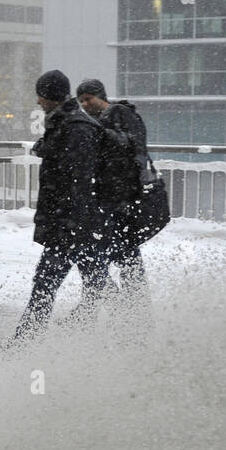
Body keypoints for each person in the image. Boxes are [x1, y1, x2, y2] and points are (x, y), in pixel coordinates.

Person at [10, 70, 119, 341]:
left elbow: (81, 182)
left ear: (51, 96)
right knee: (95, 280)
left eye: (41, 95)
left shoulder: (76, 128)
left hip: (72, 225)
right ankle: (127, 327)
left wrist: (72, 225)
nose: (38, 101)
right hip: (72, 223)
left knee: (47, 283)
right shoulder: (64, 124)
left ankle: (25, 341)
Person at [76, 79, 150, 305]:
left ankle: (126, 305)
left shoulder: (121, 113)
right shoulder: (95, 122)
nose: (85, 104)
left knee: (113, 253)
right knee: (115, 252)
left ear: (101, 96)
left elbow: (135, 148)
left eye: (88, 99)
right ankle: (127, 305)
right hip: (104, 199)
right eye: (81, 101)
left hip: (121, 200)